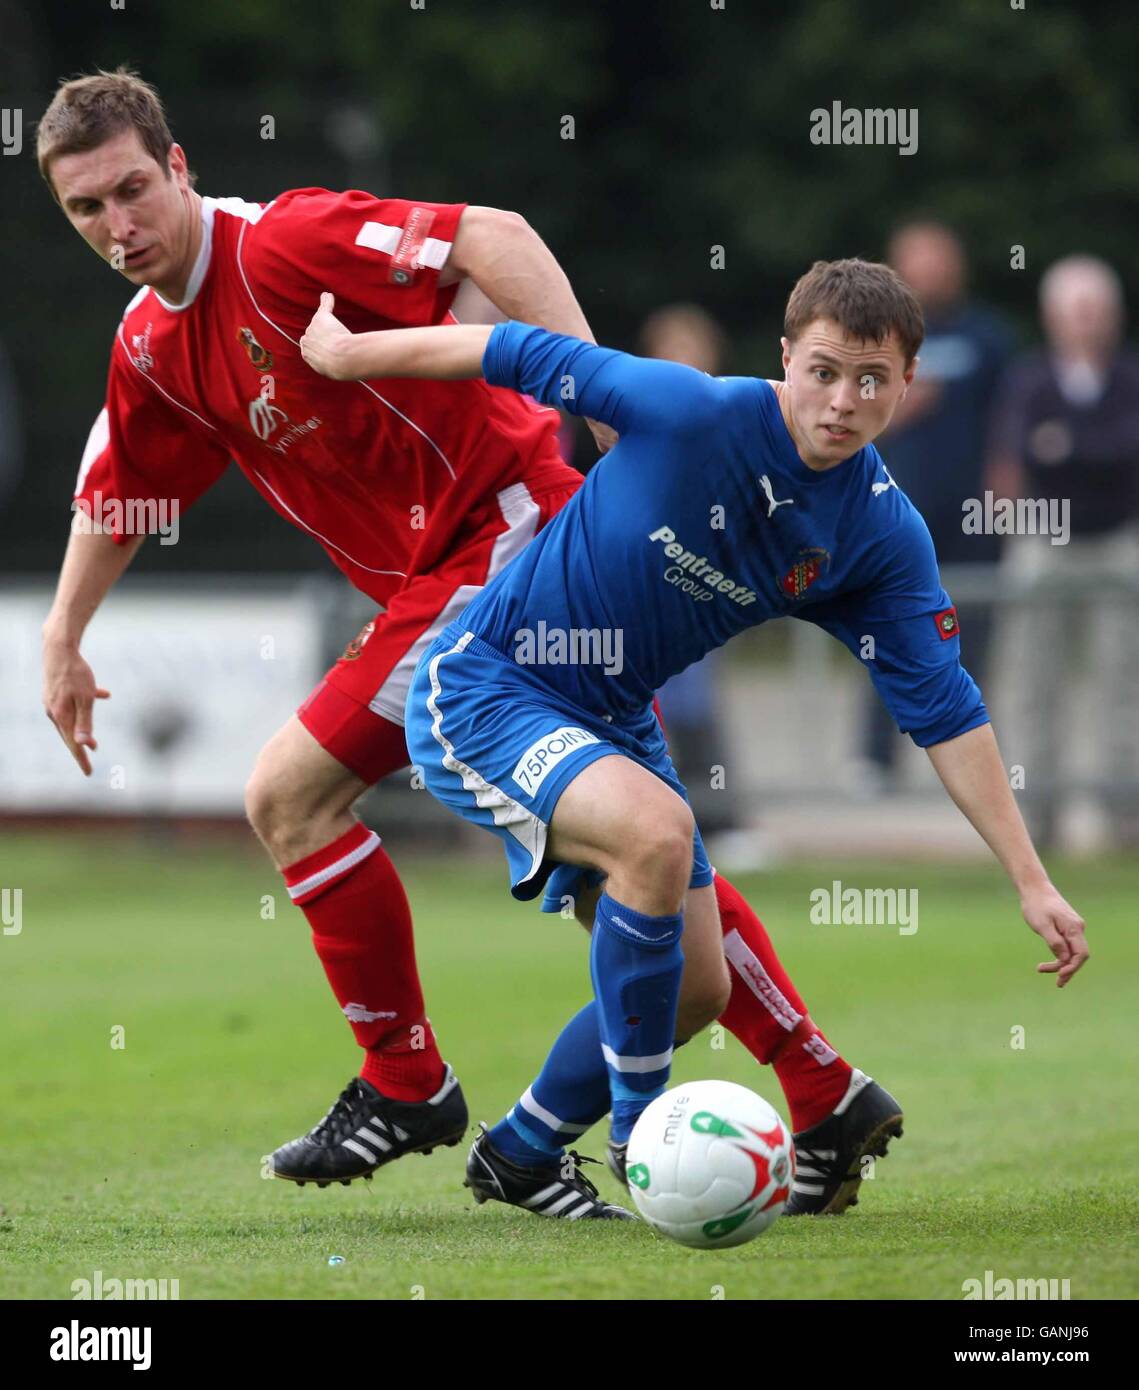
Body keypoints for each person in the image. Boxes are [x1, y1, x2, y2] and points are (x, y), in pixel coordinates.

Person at [37, 68, 869, 1218]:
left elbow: (494, 236)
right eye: (86, 209)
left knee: (288, 793)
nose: (116, 225)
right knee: (629, 883)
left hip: (506, 540)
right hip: (436, 583)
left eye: (132, 189)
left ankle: (408, 1082)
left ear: (178, 167)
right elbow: (115, 487)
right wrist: (64, 634)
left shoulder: (281, 245)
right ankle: (817, 1078)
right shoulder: (150, 346)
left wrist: (607, 401)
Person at [300, 258, 1090, 1223]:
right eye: (826, 371)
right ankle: (644, 1141)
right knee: (657, 833)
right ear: (786, 358)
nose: (844, 402)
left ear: (906, 387)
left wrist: (1028, 876)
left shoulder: (881, 536)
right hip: (486, 686)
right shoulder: (690, 407)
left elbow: (948, 713)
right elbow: (502, 347)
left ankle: (517, 1152)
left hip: (616, 716)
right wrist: (346, 355)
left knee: (697, 992)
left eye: (873, 381)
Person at [986, 255, 1139, 848]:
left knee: (1124, 681)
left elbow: (1117, 449)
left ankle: (1123, 822)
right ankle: (1034, 823)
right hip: (1043, 540)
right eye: (1076, 311)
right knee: (1029, 682)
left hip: (1119, 542)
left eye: (1096, 311)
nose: (1087, 323)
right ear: (1053, 317)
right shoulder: (1029, 380)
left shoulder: (1129, 378)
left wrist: (1068, 447)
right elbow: (1018, 454)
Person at [854, 221, 1012, 789]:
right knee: (885, 630)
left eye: (938, 261)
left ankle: (971, 764)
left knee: (972, 636)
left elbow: (1010, 422)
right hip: (894, 513)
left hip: (971, 518)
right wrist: (895, 409)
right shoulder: (872, 342)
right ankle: (876, 760)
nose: (930, 274)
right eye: (916, 263)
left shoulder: (989, 339)